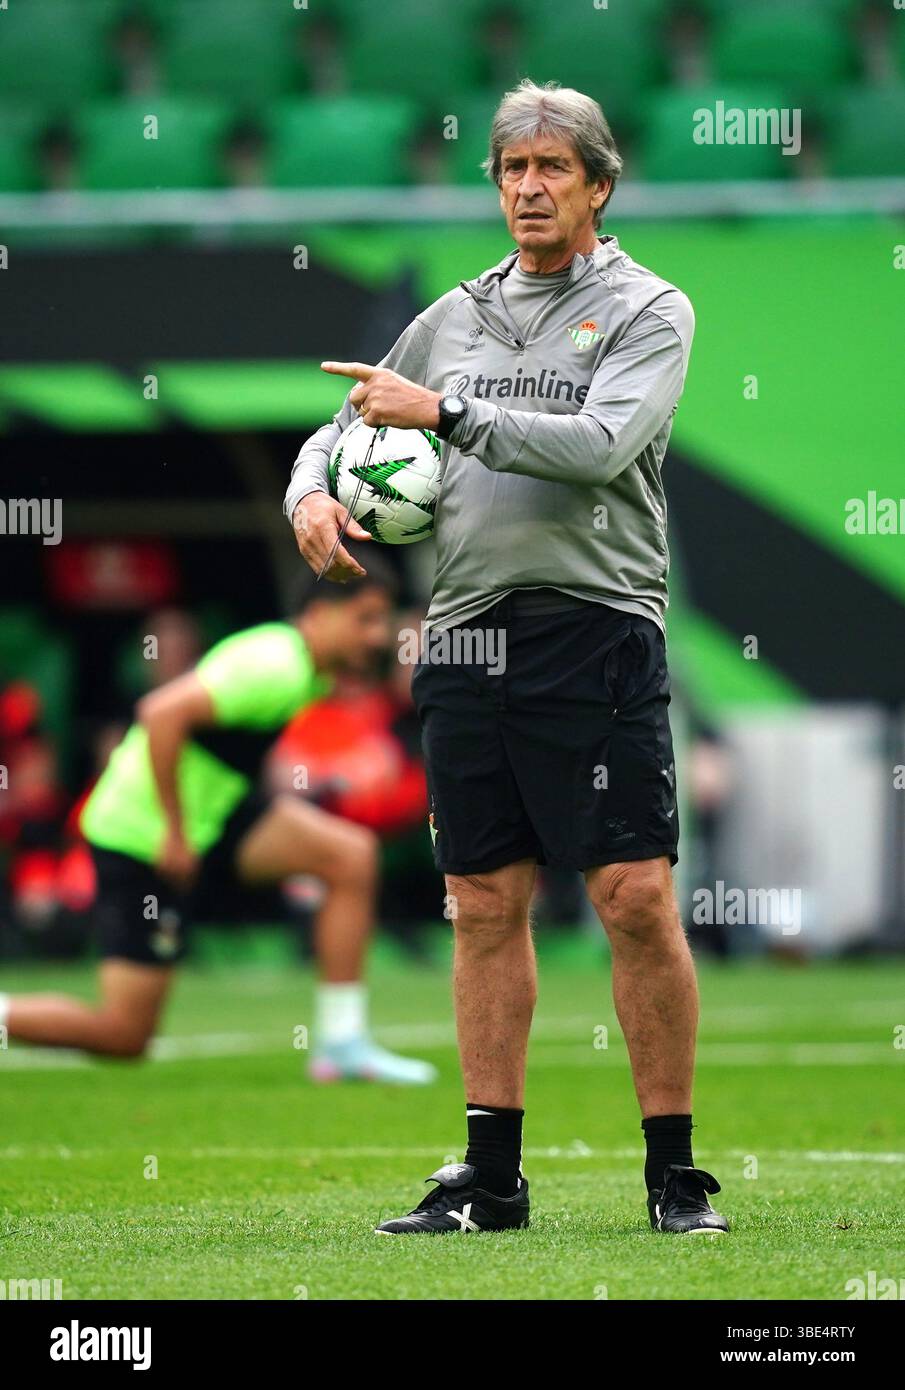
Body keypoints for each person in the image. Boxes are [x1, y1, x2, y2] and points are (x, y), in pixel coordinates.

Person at [286, 79, 728, 1234]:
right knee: (480, 900)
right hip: (466, 628)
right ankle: (491, 1181)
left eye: (550, 169)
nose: (526, 188)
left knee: (632, 896)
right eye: (508, 169)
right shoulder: (454, 313)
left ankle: (672, 1177)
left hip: (596, 623)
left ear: (597, 183)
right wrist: (308, 496)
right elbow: (339, 425)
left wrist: (446, 416)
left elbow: (597, 446)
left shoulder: (648, 307)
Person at [0, 550, 436, 1086]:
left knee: (348, 855)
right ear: (319, 614)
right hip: (144, 835)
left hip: (215, 815)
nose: (377, 637)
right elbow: (160, 714)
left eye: (382, 621)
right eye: (365, 619)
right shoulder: (275, 667)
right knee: (123, 1035)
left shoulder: (311, 672)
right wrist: (175, 833)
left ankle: (342, 1045)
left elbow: (231, 743)